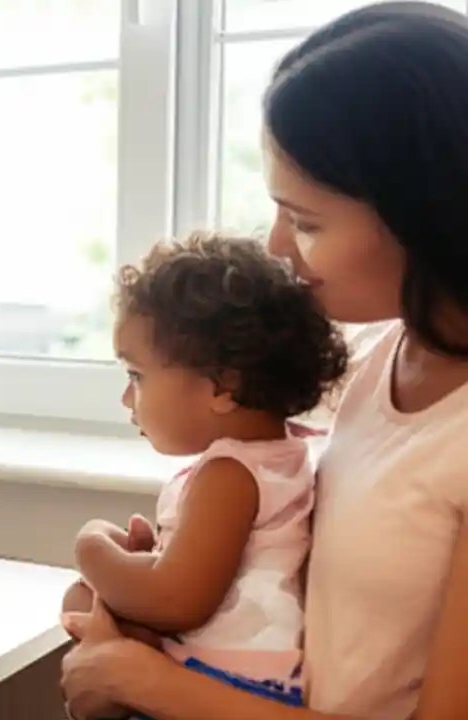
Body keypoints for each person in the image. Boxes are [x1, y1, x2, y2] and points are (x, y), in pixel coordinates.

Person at [60, 2, 468, 718]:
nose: (278, 248)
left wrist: (145, 683)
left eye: (306, 221)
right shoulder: (374, 364)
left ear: (425, 209)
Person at [62, 232, 349, 717]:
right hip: (234, 668)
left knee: (85, 594)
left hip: (225, 680)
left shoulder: (230, 473)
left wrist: (92, 548)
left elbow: (177, 600)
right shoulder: (282, 454)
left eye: (137, 376)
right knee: (87, 602)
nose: (127, 399)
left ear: (224, 386)